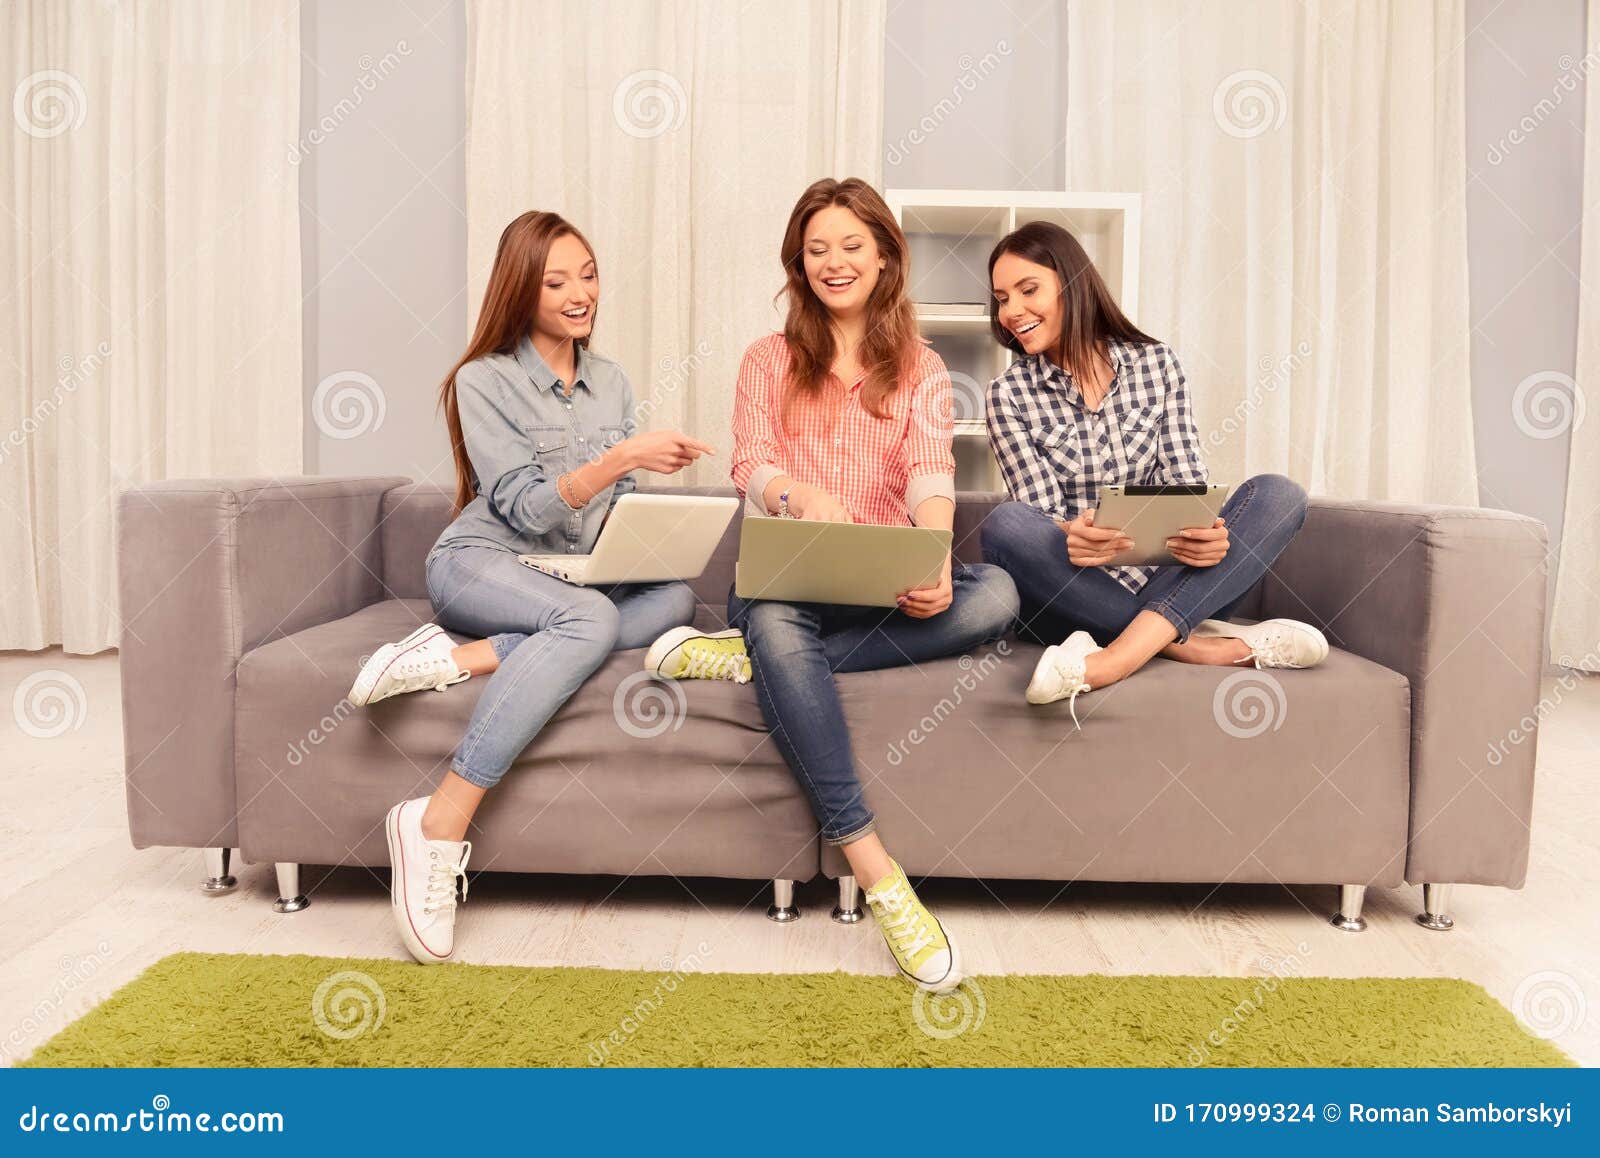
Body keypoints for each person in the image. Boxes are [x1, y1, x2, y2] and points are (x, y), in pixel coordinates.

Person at [645, 178, 1020, 993]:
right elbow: (750, 460)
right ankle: (880, 875)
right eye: (817, 250)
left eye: (851, 246)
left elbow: (929, 469)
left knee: (995, 595)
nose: (834, 263)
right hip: (786, 571)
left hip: (877, 581)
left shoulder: (919, 366)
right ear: (798, 263)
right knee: (778, 622)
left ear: (885, 257)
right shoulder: (766, 359)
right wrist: (796, 495)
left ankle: (755, 663)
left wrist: (928, 552)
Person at [347, 210, 713, 964]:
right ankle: (438, 820)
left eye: (588, 274)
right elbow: (523, 506)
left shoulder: (610, 381)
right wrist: (617, 461)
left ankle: (470, 657)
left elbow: (611, 511)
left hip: (570, 579)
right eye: (557, 281)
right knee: (586, 622)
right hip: (482, 565)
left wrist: (644, 523)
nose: (581, 293)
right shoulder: (483, 381)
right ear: (523, 288)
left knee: (675, 597)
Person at [978, 221, 1327, 725]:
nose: (1011, 312)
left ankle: (1111, 659)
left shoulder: (1156, 364)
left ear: (1073, 284)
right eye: (1001, 298)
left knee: (1279, 494)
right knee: (1005, 524)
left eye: (1028, 290)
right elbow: (1040, 514)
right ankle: (1195, 647)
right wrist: (1068, 533)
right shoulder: (1006, 395)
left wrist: (1210, 537)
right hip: (1076, 590)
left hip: (1171, 576)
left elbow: (1189, 486)